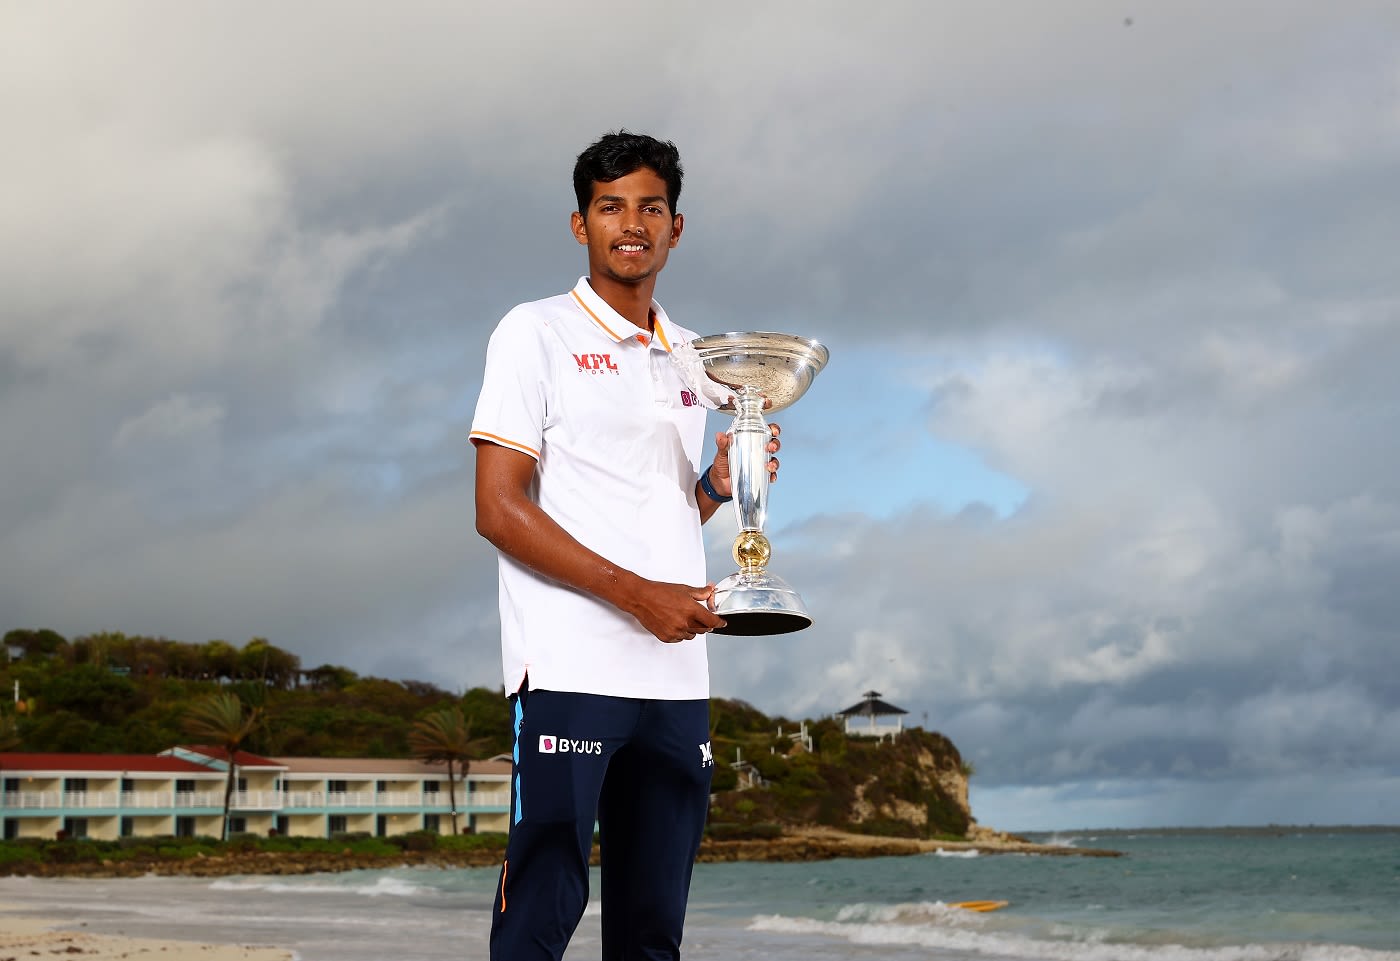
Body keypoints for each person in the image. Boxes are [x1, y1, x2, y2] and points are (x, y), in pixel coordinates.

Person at [469, 131, 781, 960]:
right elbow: (499, 509)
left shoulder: (696, 357)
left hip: (677, 676)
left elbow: (664, 512)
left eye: (650, 206)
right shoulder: (533, 333)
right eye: (611, 206)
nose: (631, 223)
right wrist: (639, 594)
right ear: (582, 226)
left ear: (677, 227)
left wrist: (718, 485)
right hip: (572, 666)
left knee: (651, 931)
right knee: (541, 909)